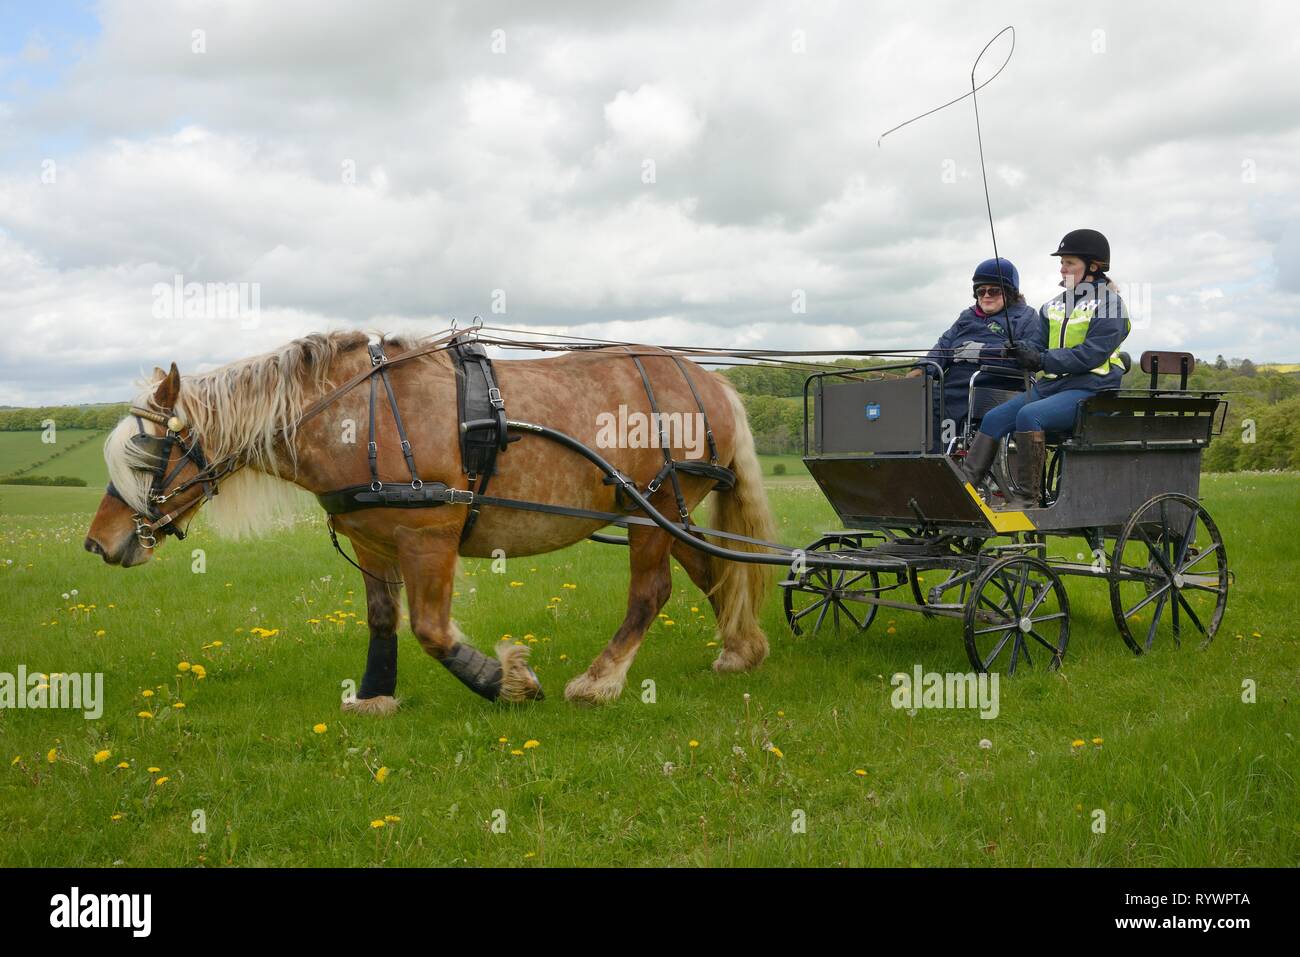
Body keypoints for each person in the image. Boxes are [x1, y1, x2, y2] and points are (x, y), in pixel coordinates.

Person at [960, 228, 1130, 507]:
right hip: (1053, 388)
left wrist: (1041, 360)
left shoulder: (1111, 305)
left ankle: (1028, 499)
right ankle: (964, 492)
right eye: (1061, 262)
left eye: (1069, 262)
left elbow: (1091, 355)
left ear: (1094, 266)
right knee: (992, 418)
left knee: (1029, 416)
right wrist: (1018, 351)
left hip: (1092, 389)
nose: (1062, 269)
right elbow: (1037, 345)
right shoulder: (1053, 306)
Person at [906, 257, 1042, 448]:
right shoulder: (967, 316)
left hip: (993, 385)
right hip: (953, 384)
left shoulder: (1027, 317)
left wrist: (981, 352)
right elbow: (943, 347)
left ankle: (939, 461)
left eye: (993, 290)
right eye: (980, 291)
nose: (986, 296)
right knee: (910, 398)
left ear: (1010, 293)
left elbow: (1028, 357)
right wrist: (922, 369)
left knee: (938, 401)